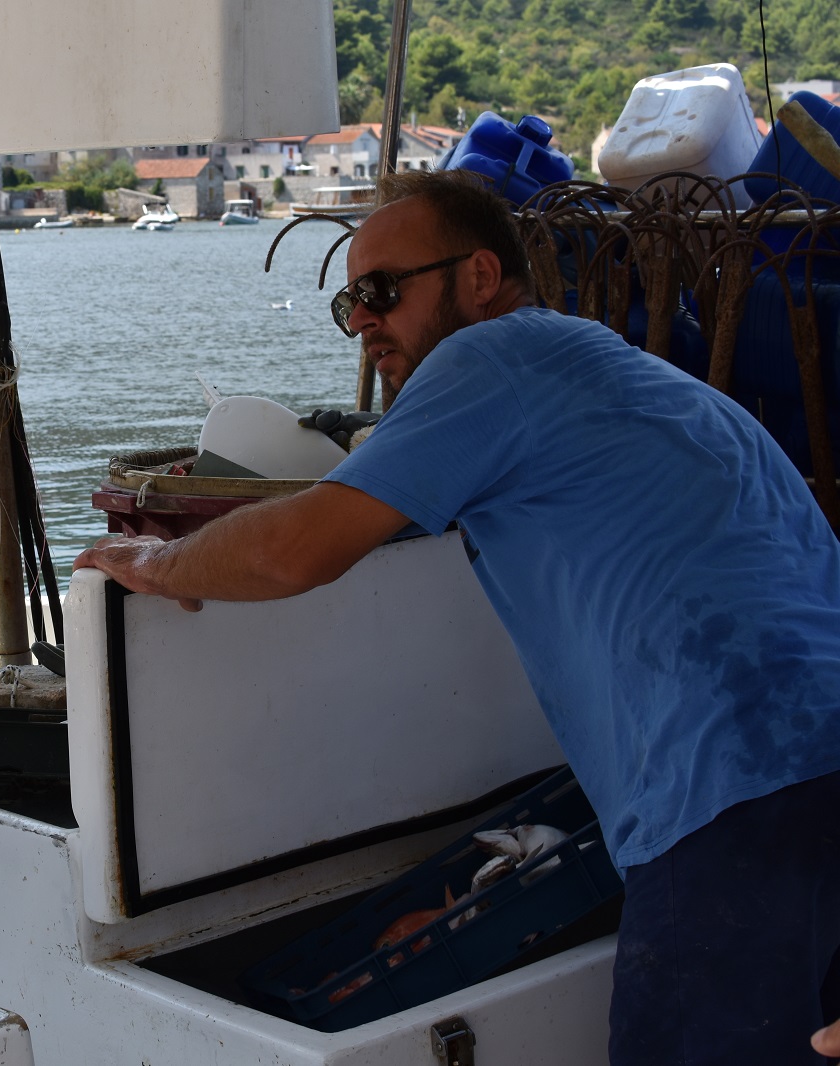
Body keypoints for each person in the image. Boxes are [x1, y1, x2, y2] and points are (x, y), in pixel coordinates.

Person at [74, 169, 840, 1065]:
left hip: (733, 800)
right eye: (349, 302)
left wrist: (159, 563)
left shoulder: (490, 358)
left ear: (481, 278)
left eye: (383, 290)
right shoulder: (648, 388)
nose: (363, 319)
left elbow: (298, 547)